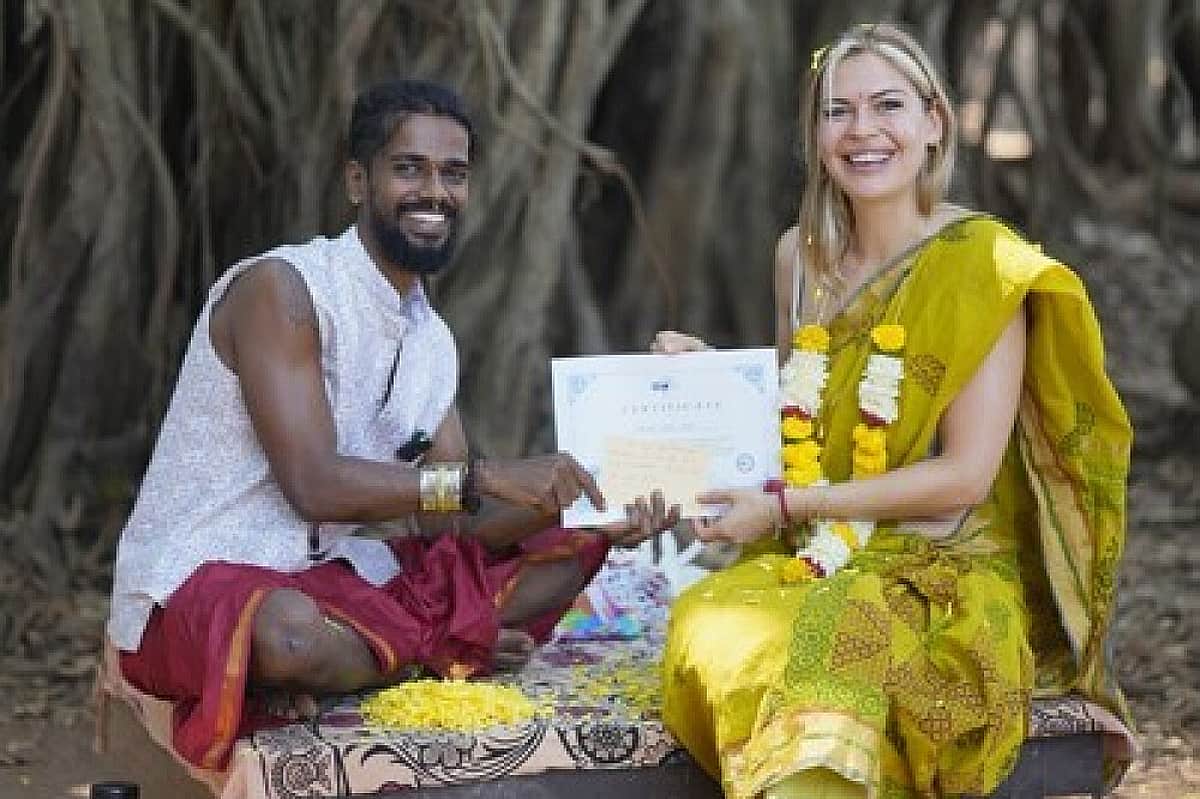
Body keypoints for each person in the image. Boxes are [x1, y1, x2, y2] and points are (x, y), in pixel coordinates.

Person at [106, 79, 677, 772]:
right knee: (287, 636)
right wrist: (487, 476)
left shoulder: (431, 340)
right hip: (193, 587)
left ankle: (408, 645)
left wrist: (589, 515)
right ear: (357, 179)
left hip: (326, 578)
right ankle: (434, 648)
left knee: (550, 555)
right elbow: (314, 486)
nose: (434, 192)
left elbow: (452, 530)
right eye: (409, 168)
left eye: (454, 173)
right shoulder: (281, 289)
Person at [652, 23, 1130, 799]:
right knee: (710, 620)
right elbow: (800, 415)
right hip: (821, 544)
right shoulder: (797, 255)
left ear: (934, 121)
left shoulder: (984, 265)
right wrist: (709, 382)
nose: (862, 131)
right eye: (837, 111)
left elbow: (964, 476)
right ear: (814, 134)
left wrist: (790, 503)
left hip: (946, 568)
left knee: (826, 654)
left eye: (887, 106)